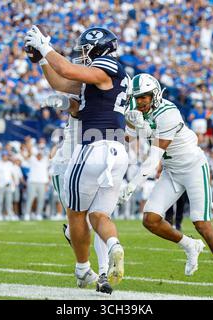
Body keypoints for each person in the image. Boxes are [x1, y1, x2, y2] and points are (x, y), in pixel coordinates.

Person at [24, 25, 129, 289]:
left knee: (75, 214)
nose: (83, 55)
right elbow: (62, 82)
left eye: (86, 50)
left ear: (100, 48)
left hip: (93, 146)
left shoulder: (109, 65)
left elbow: (67, 71)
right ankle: (114, 246)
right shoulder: (98, 80)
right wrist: (42, 60)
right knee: (99, 215)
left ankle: (83, 269)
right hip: (118, 153)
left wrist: (46, 46)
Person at [119, 73, 213, 295]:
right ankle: (189, 245)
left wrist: (130, 186)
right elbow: (125, 138)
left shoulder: (169, 113)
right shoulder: (137, 111)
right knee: (151, 219)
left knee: (201, 223)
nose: (140, 102)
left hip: (193, 168)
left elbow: (153, 158)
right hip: (172, 171)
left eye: (144, 97)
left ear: (154, 94)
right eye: (136, 98)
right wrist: (125, 125)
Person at [44, 94, 113, 294]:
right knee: (82, 221)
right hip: (65, 168)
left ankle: (102, 275)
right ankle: (80, 258)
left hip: (89, 168)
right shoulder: (87, 101)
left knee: (99, 218)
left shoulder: (105, 110)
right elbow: (73, 105)